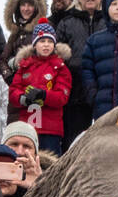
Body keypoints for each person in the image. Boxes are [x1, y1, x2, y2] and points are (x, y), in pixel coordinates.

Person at [56, 0, 107, 150]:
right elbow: (58, 60)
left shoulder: (110, 20)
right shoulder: (67, 22)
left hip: (104, 94)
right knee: (74, 145)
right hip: (75, 96)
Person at [8, 20, 72, 151]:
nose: (46, 45)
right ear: (35, 44)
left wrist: (44, 95)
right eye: (42, 41)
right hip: (27, 128)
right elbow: (13, 91)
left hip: (51, 129)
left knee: (48, 165)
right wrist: (23, 99)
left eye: (50, 42)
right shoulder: (25, 66)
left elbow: (62, 97)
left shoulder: (60, 68)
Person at [0, 0, 49, 82]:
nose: (26, 9)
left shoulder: (46, 28)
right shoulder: (15, 32)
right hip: (18, 88)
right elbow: (2, 61)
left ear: (36, 7)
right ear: (17, 7)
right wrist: (10, 77)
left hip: (41, 85)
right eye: (23, 5)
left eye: (30, 5)